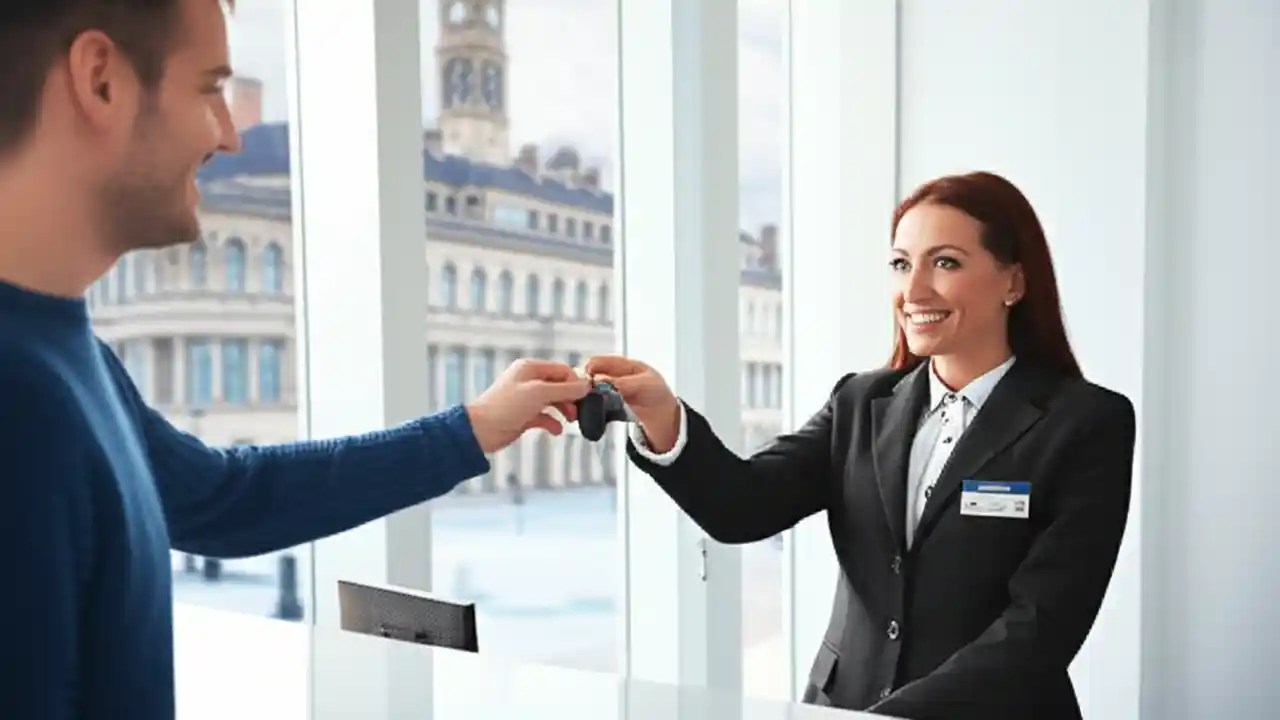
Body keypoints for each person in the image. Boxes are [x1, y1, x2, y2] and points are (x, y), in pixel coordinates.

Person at [0, 2, 589, 719]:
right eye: (210, 88)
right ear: (101, 81)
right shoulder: (20, 399)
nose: (229, 136)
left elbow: (221, 500)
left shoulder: (65, 350)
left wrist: (471, 428)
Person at [588, 171, 1136, 720]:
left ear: (1013, 282)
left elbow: (1041, 628)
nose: (913, 291)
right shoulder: (860, 402)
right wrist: (663, 417)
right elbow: (743, 506)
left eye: (945, 262)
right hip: (842, 706)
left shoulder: (1087, 423)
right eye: (901, 264)